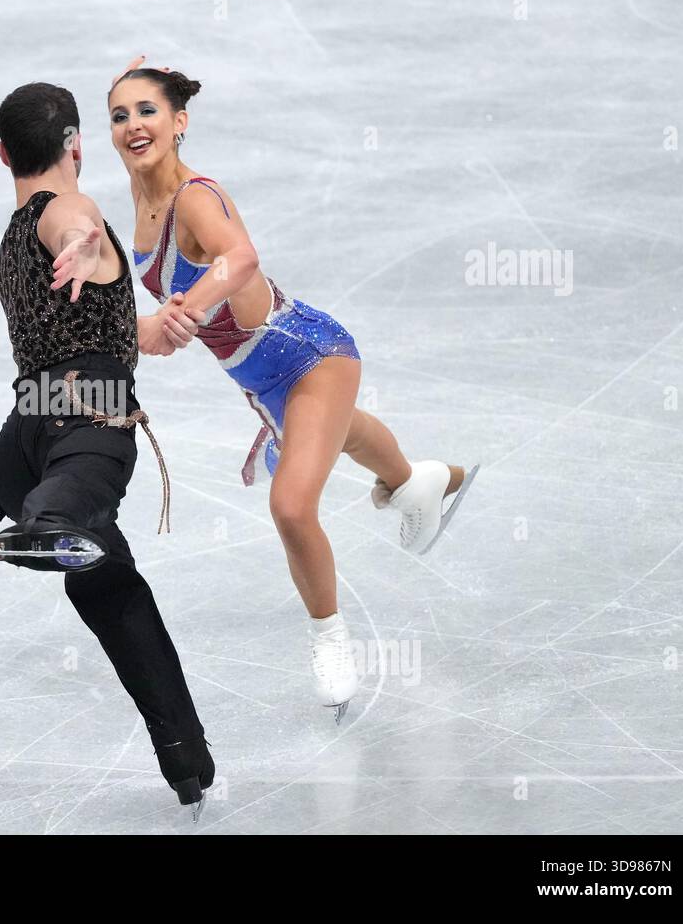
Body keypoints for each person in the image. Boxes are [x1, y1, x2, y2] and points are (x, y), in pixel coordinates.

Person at [108, 58, 479, 723]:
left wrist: (188, 308)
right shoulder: (142, 196)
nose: (134, 125)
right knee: (348, 433)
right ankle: (422, 480)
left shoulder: (197, 196)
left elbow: (241, 256)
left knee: (290, 505)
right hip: (263, 384)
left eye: (148, 111)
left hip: (311, 356)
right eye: (120, 114)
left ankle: (330, 638)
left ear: (180, 122)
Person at [0, 81, 214, 816]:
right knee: (75, 510)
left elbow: (98, 327)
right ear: (77, 146)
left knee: (114, 592)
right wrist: (84, 235)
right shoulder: (66, 215)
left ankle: (185, 755)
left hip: (25, 434)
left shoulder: (13, 237)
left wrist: (156, 329)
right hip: (86, 418)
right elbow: (72, 221)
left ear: (2, 154)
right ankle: (51, 526)